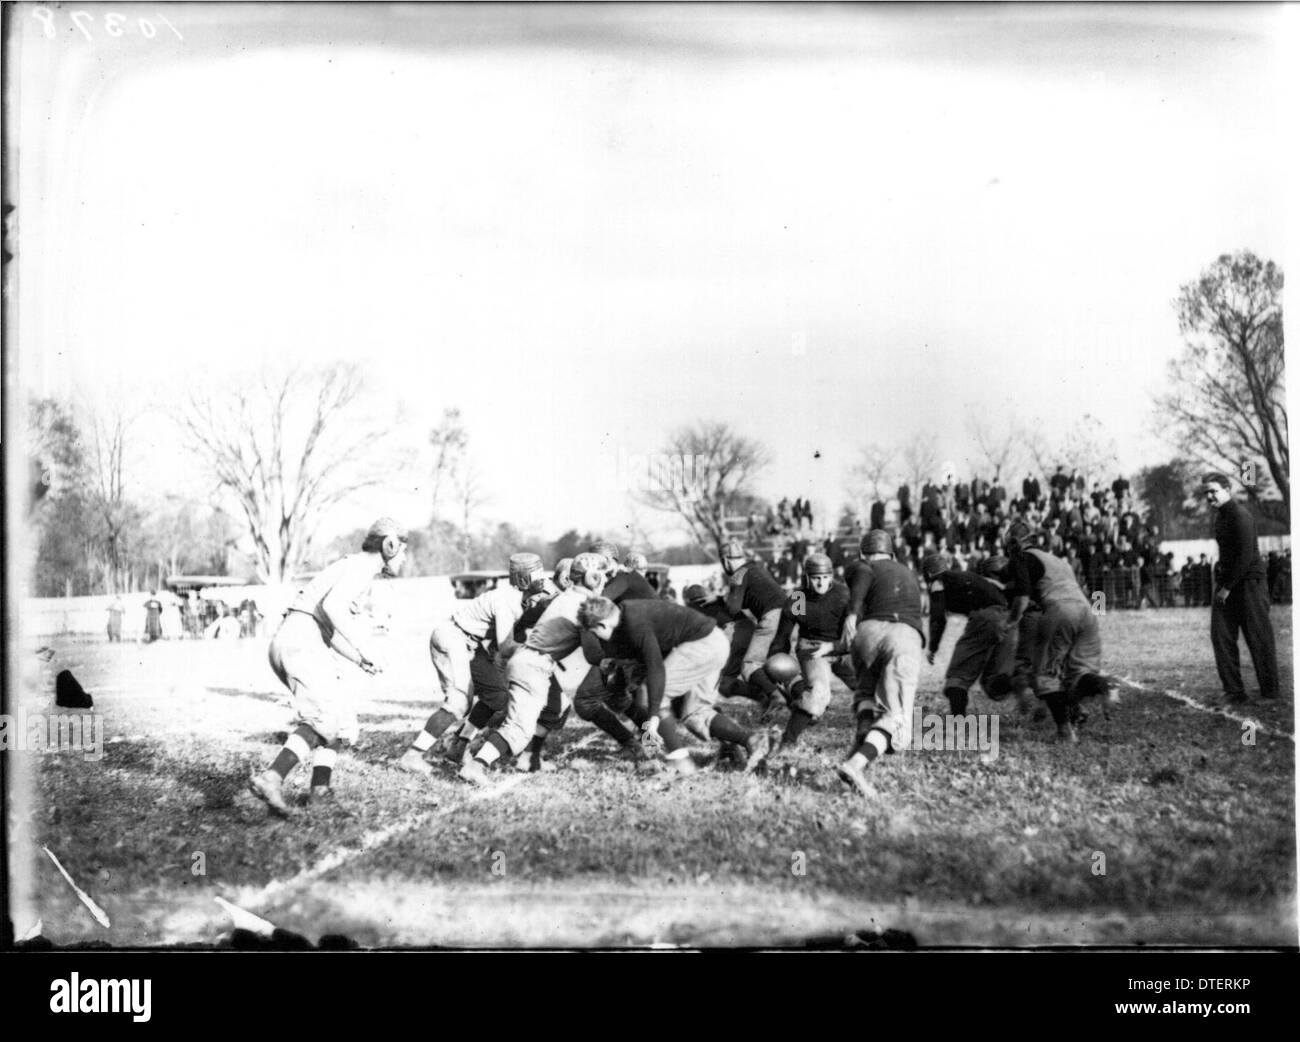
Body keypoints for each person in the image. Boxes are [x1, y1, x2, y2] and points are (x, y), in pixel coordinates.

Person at [249, 517, 408, 816]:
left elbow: (329, 628)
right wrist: (366, 647)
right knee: (324, 718)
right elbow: (333, 609)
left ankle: (320, 791)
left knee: (342, 720)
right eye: (403, 548)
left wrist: (360, 659)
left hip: (299, 639)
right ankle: (271, 778)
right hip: (301, 642)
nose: (405, 556)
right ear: (390, 545)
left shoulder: (355, 567)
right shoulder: (362, 568)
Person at [459, 553, 608, 785]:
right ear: (593, 578)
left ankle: (529, 758)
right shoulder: (582, 605)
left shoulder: (566, 595)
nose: (606, 580)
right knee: (519, 727)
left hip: (531, 662)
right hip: (531, 666)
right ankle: (477, 763)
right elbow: (592, 653)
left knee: (556, 708)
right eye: (604, 575)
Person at [576, 595, 769, 775]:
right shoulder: (627, 613)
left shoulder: (634, 622)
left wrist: (652, 717)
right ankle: (750, 740)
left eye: (595, 633)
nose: (598, 639)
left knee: (652, 693)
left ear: (601, 624)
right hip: (714, 642)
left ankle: (680, 762)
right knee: (694, 714)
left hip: (702, 646)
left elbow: (655, 669)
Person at [396, 552, 548, 776]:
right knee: (459, 701)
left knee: (497, 697)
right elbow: (506, 647)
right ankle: (413, 755)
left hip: (470, 644)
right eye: (538, 576)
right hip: (453, 637)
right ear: (524, 580)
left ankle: (458, 746)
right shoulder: (508, 599)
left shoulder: (518, 597)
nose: (543, 581)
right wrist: (539, 650)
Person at [836, 529, 925, 797]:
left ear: (863, 552)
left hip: (866, 633)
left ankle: (861, 736)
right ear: (892, 553)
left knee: (865, 693)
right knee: (896, 720)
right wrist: (852, 613)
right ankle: (856, 764)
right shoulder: (906, 572)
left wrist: (852, 615)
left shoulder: (862, 566)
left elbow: (862, 574)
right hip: (903, 635)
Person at [1005, 521, 1108, 743]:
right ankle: (1102, 688)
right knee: (1075, 674)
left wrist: (1010, 621)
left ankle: (1065, 732)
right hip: (1086, 612)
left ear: (1015, 542)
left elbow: (1022, 597)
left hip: (1060, 610)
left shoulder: (1022, 558)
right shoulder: (1058, 560)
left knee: (1044, 676)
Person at [763, 553, 855, 752]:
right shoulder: (799, 598)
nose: (821, 583)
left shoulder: (844, 595)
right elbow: (783, 635)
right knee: (818, 693)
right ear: (806, 577)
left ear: (831, 576)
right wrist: (776, 658)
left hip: (841, 647)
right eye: (815, 577)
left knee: (871, 686)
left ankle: (883, 734)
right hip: (813, 648)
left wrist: (838, 648)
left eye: (825, 577)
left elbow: (855, 635)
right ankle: (788, 741)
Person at [1201, 473, 1279, 703]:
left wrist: (1226, 587)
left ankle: (1270, 691)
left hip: (1249, 584)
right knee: (1221, 635)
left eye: (1213, 491)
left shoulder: (1240, 515)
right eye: (1206, 492)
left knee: (1258, 637)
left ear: (1228, 489)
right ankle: (1234, 691)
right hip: (1230, 583)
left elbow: (1245, 557)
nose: (1209, 496)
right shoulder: (1221, 517)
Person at [921, 551, 1016, 715]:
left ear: (929, 574)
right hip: (1009, 620)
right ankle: (1026, 683)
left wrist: (933, 647)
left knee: (958, 675)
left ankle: (958, 721)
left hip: (988, 617)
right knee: (993, 682)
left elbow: (938, 618)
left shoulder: (938, 582)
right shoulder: (967, 577)